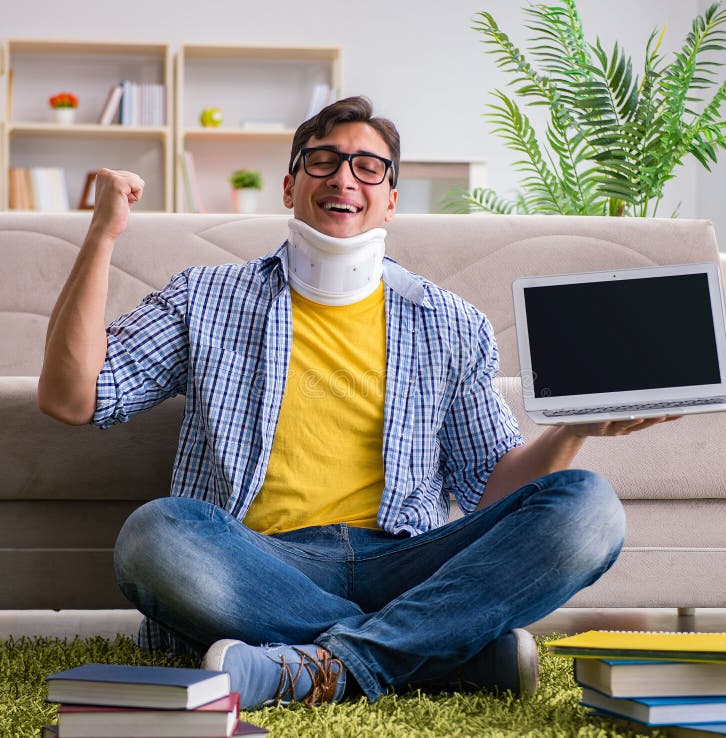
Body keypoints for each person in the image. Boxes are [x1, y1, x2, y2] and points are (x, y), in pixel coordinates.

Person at [38, 96, 671, 709]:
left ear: (390, 199)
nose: (345, 177)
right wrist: (102, 235)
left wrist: (571, 432)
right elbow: (71, 398)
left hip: (406, 560)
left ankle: (324, 664)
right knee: (155, 534)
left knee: (588, 506)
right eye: (323, 160)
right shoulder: (206, 297)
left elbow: (492, 493)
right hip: (262, 563)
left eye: (368, 167)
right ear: (290, 187)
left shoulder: (451, 323)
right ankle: (439, 652)